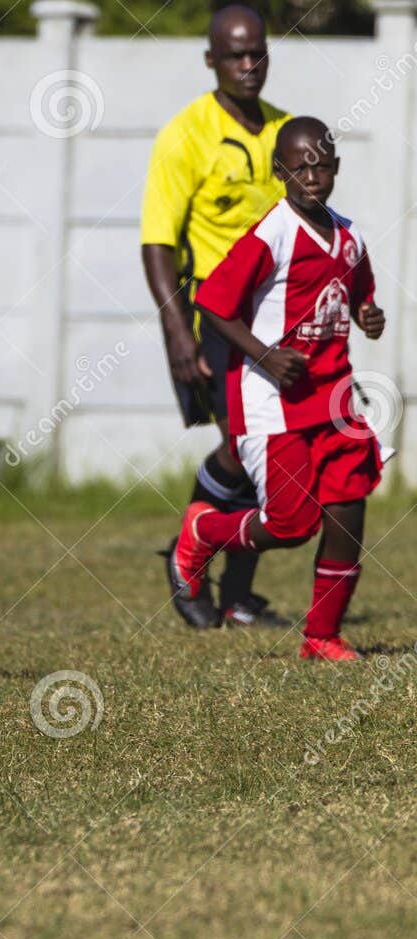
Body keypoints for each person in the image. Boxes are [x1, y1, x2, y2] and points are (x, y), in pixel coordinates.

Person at [168, 118, 383, 661]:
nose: (311, 175)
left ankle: (323, 635)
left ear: (336, 168)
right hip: (270, 401)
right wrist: (265, 354)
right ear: (279, 171)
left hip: (335, 400)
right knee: (291, 525)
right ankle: (206, 532)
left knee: (347, 515)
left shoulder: (350, 234)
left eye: (322, 164)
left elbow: (356, 294)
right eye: (299, 165)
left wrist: (367, 314)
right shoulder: (273, 231)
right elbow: (213, 304)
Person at [143, 4, 292, 629]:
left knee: (275, 452)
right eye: (234, 54)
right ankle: (189, 562)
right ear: (211, 59)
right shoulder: (185, 133)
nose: (248, 64)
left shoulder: (289, 131)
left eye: (257, 51)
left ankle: (236, 598)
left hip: (280, 316)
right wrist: (179, 332)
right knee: (242, 445)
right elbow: (157, 242)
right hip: (215, 317)